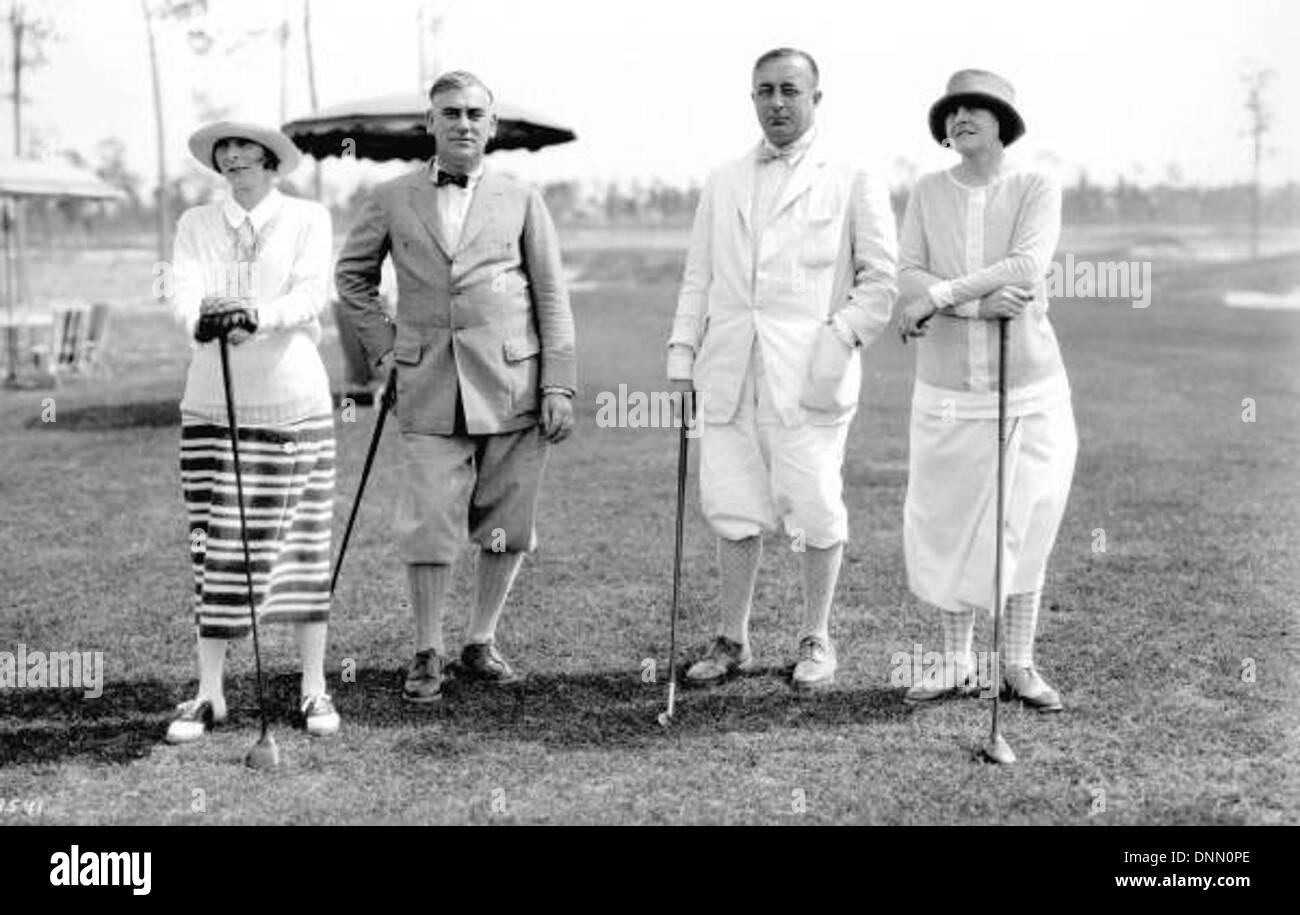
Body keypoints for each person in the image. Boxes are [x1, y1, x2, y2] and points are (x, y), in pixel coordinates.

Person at [334, 70, 576, 703]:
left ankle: (480, 639)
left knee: (507, 523)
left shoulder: (522, 198)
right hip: (427, 385)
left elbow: (550, 294)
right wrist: (387, 349)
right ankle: (426, 650)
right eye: (450, 113)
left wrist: (560, 384)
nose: (463, 123)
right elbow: (352, 279)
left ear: (491, 126)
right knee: (428, 523)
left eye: (474, 113)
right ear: (430, 124)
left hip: (513, 386)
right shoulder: (391, 197)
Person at [667, 48, 898, 690]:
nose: (777, 103)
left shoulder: (851, 175)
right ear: (752, 98)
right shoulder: (725, 176)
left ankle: (816, 637)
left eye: (790, 90)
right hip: (729, 371)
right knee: (733, 504)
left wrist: (840, 337)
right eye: (765, 90)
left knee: (816, 505)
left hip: (809, 376)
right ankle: (732, 639)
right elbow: (699, 275)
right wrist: (682, 355)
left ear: (815, 98)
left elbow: (880, 281)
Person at [896, 70, 1076, 711]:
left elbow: (1025, 268)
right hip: (947, 393)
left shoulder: (1035, 186)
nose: (961, 117)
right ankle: (953, 664)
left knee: (1025, 524)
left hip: (1029, 390)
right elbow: (906, 274)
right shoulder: (924, 190)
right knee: (948, 526)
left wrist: (940, 298)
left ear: (1003, 122)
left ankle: (1020, 665)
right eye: (951, 110)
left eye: (977, 107)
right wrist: (972, 308)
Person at [167, 121, 340, 742]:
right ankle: (208, 694)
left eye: (247, 149)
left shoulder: (308, 217)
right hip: (212, 402)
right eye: (225, 150)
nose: (235, 157)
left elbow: (312, 292)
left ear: (271, 160)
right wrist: (203, 319)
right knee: (213, 547)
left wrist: (257, 317)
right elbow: (184, 291)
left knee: (299, 547)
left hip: (294, 402)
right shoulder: (195, 223)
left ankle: (313, 687)